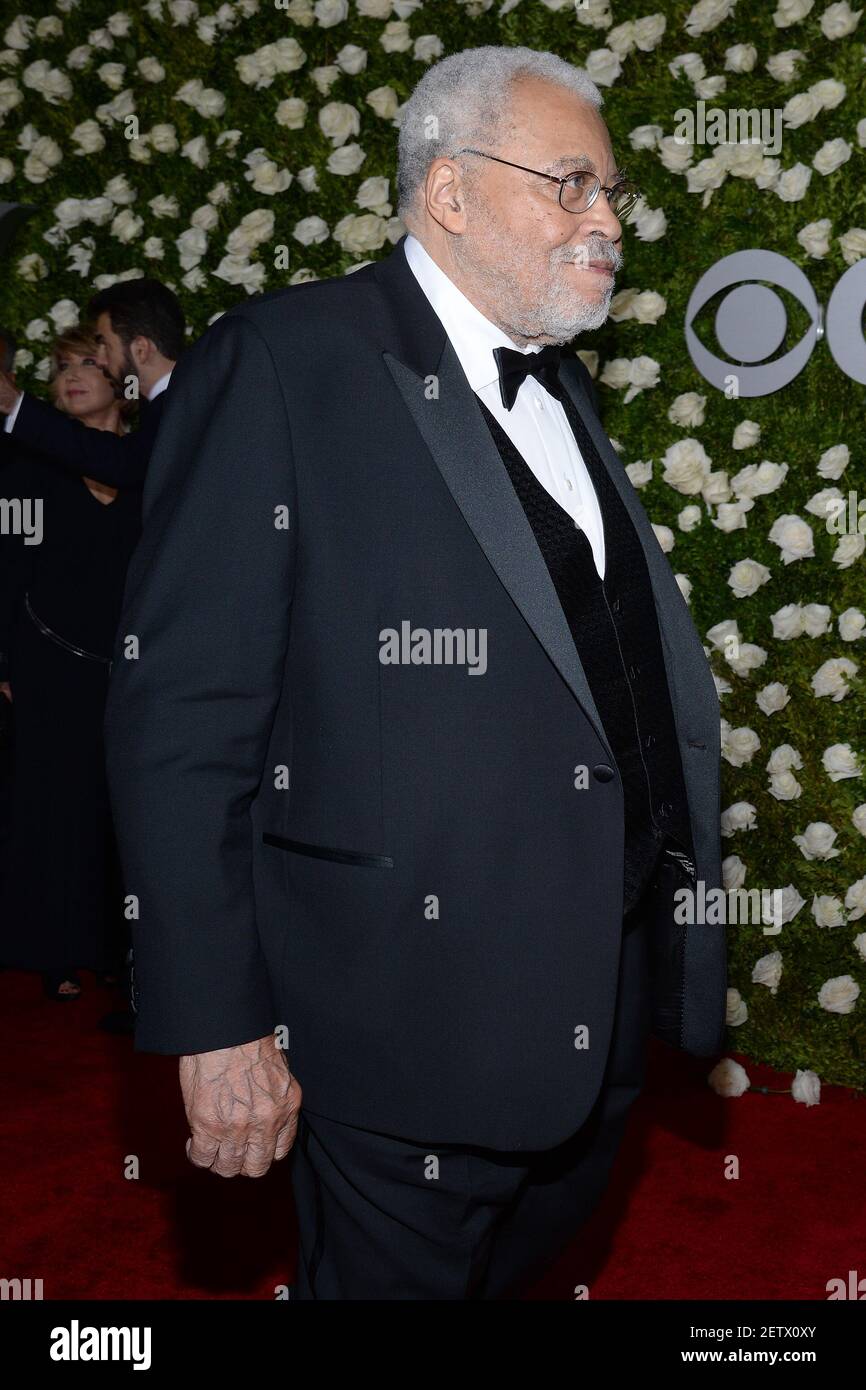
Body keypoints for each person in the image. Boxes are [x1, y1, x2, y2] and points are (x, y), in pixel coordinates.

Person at [103, 45, 726, 1300]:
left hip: (587, 1008)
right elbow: (183, 716)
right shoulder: (281, 363)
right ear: (447, 192)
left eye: (610, 193)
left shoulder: (562, 389)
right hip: (392, 1018)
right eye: (570, 184)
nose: (604, 220)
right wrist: (217, 1019)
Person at [0, 326, 142, 1000]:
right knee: (52, 808)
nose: (71, 376)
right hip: (48, 662)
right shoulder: (30, 466)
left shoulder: (155, 459)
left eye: (89, 362)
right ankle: (53, 952)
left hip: (136, 671)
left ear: (122, 377)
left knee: (126, 811)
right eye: (60, 367)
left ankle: (118, 950)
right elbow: (7, 568)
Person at [0, 279, 184, 488]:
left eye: (103, 347)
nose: (101, 360)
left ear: (141, 349)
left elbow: (124, 463)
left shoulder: (179, 407)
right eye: (63, 366)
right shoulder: (23, 469)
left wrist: (15, 403)